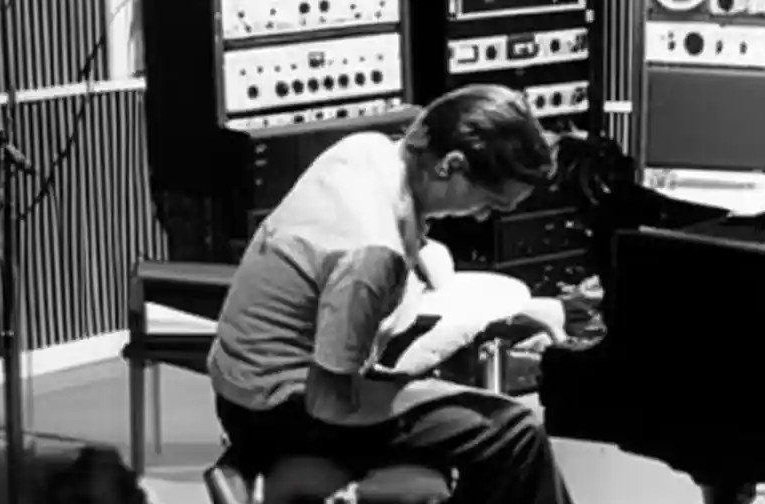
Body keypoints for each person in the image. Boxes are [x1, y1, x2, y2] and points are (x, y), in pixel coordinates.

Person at [207, 84, 574, 504]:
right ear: (451, 165)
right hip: (283, 412)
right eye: (487, 203)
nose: (479, 217)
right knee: (514, 432)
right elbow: (331, 398)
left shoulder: (367, 151)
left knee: (475, 414)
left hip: (241, 389)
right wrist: (425, 392)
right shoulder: (375, 252)